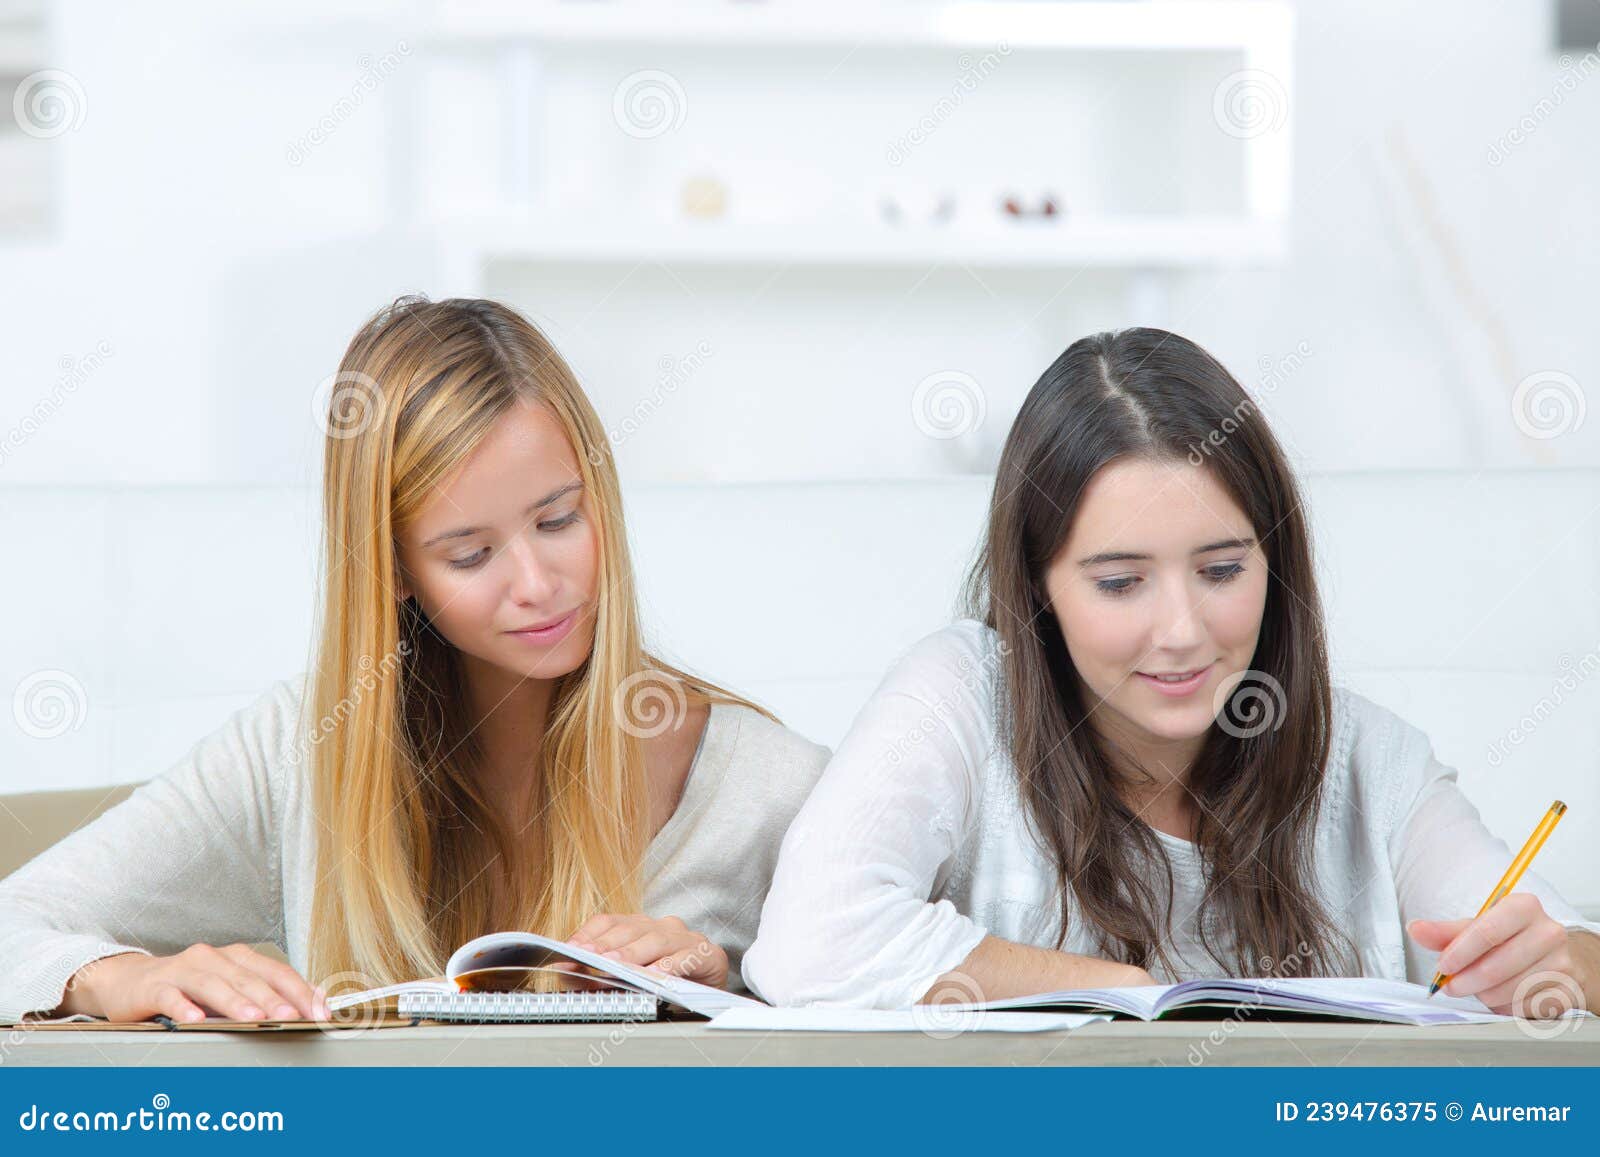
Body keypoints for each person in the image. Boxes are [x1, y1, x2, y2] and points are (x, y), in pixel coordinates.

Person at [0, 296, 827, 1024]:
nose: (538, 584)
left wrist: (730, 999)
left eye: (560, 519)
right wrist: (121, 975)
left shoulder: (771, 789)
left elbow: (908, 1019)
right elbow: (16, 922)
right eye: (469, 555)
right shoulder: (300, 751)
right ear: (393, 570)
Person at [744, 327, 1600, 1017]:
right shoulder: (965, 697)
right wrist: (1135, 993)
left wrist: (1563, 961)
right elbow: (809, 942)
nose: (1184, 632)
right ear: (1037, 588)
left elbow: (1560, 944)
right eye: (1120, 583)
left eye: (1223, 570)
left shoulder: (1371, 760)